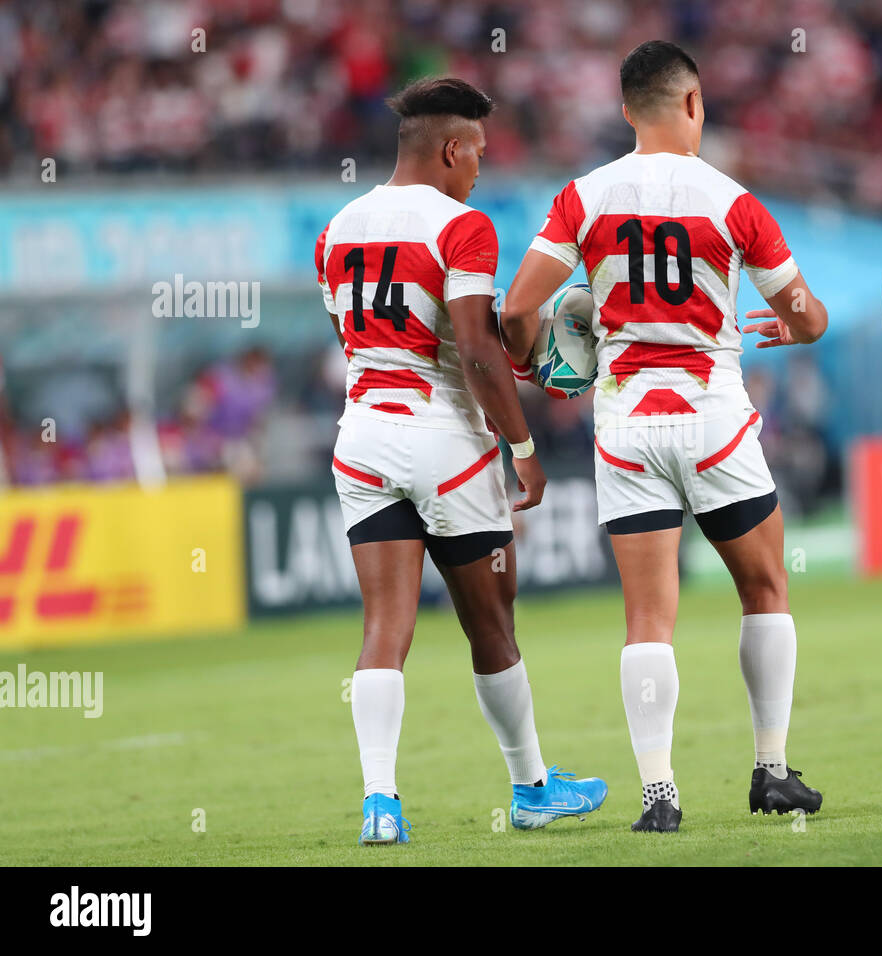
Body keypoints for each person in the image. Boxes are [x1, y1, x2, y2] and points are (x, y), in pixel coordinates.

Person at [500, 41, 828, 833]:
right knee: (767, 590)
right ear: (693, 104)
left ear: (624, 108)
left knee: (648, 620)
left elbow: (515, 312)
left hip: (628, 428)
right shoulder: (733, 200)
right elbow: (806, 313)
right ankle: (772, 771)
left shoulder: (584, 197)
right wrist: (793, 328)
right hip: (714, 419)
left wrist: (536, 364)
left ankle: (659, 797)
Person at [314, 76, 607, 844]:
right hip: (445, 442)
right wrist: (524, 449)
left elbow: (360, 339)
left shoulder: (336, 228)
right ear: (451, 149)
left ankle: (380, 803)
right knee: (491, 622)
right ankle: (531, 786)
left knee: (385, 625)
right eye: (476, 151)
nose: (480, 166)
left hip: (362, 438)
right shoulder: (464, 227)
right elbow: (476, 349)